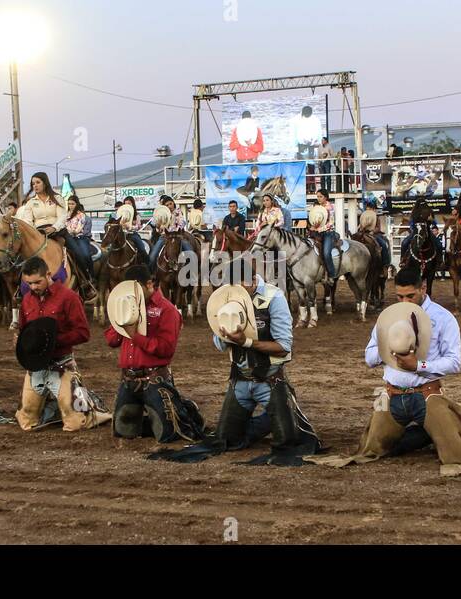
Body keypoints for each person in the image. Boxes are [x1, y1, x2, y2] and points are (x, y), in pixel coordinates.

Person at [307, 267, 461, 476]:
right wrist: (388, 345)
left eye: (410, 296)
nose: (404, 302)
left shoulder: (443, 318)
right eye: (399, 296)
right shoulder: (388, 317)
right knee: (370, 449)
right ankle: (429, 432)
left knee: (458, 455)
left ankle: (437, 426)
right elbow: (369, 359)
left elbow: (454, 362)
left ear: (423, 288)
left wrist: (418, 366)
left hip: (427, 393)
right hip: (389, 393)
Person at [152, 254, 321, 465]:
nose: (234, 290)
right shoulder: (230, 297)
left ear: (250, 281)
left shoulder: (274, 297)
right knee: (226, 439)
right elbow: (219, 345)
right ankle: (273, 418)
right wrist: (223, 333)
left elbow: (284, 348)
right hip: (240, 379)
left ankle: (279, 416)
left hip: (270, 380)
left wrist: (245, 341)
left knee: (287, 441)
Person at [105, 265, 205, 443]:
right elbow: (111, 341)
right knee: (122, 431)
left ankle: (184, 410)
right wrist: (121, 324)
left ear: (150, 284)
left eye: (136, 290)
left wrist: (134, 335)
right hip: (129, 379)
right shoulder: (125, 306)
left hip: (154, 378)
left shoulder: (167, 310)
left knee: (168, 435)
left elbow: (166, 349)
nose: (132, 295)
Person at [14, 257, 103, 432]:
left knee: (78, 423)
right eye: (29, 283)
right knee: (25, 422)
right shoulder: (26, 300)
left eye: (37, 282)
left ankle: (88, 402)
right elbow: (24, 329)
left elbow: (83, 333)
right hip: (35, 367)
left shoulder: (69, 297)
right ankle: (56, 406)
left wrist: (53, 341)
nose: (33, 287)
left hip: (63, 364)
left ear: (48, 275)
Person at [309, 190, 341, 281]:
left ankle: (332, 274)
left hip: (328, 233)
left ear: (325, 197)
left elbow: (331, 223)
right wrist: (313, 226)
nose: (318, 198)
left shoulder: (330, 207)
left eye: (320, 196)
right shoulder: (316, 207)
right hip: (316, 232)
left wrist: (318, 229)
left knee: (326, 253)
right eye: (318, 196)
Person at [63, 195, 94, 279]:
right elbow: (64, 225)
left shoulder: (81, 215)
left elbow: (79, 228)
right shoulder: (66, 215)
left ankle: (91, 274)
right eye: (69, 204)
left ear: (77, 204)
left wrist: (72, 231)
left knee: (85, 254)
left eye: (72, 204)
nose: (70, 206)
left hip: (80, 237)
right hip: (69, 237)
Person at [356, 199, 391, 272]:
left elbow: (378, 228)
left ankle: (385, 265)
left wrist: (373, 231)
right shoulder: (363, 216)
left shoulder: (376, 217)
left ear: (373, 209)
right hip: (363, 233)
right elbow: (360, 225)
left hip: (374, 234)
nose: (368, 209)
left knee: (383, 244)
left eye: (370, 208)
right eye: (368, 208)